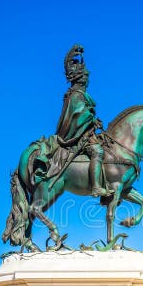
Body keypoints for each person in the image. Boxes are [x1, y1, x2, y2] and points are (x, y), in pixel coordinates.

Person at [55, 44, 112, 197]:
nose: (88, 81)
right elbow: (78, 116)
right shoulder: (76, 95)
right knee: (97, 151)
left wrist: (93, 120)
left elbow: (84, 113)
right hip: (77, 135)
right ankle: (95, 187)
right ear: (80, 79)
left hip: (86, 132)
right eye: (86, 78)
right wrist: (91, 120)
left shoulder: (78, 94)